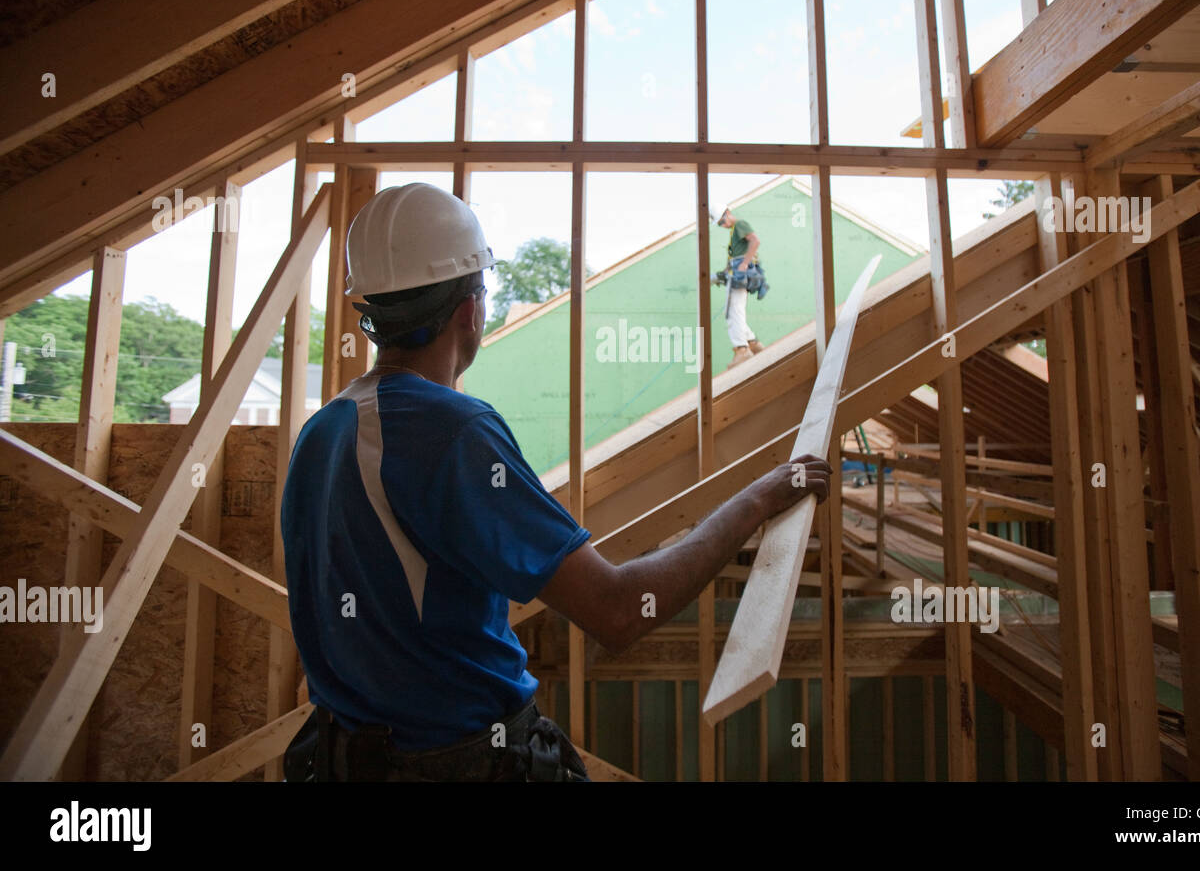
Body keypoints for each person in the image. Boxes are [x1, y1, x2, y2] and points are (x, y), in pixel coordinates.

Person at [279, 182, 831, 781]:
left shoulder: (323, 430)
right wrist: (759, 497)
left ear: (373, 313)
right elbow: (619, 610)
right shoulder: (452, 431)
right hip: (454, 764)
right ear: (470, 308)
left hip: (338, 760)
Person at [717, 206, 767, 368]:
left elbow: (755, 240)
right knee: (734, 309)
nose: (722, 225)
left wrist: (744, 264)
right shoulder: (733, 231)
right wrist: (722, 274)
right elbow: (734, 257)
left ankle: (742, 349)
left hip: (740, 272)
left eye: (722, 221)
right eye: (719, 224)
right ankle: (752, 343)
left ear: (728, 213)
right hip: (735, 271)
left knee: (733, 310)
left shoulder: (740, 224)